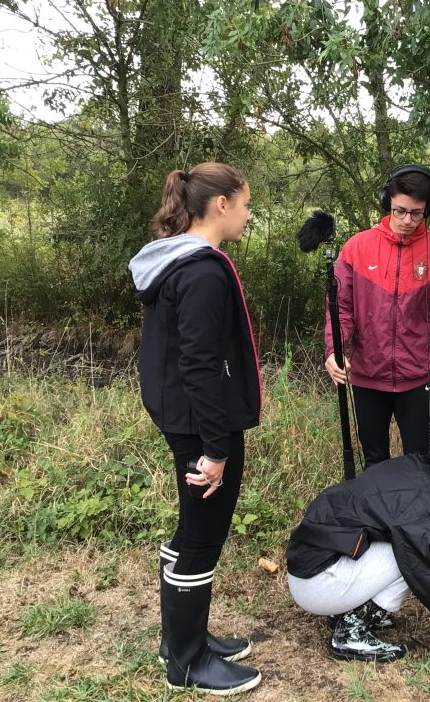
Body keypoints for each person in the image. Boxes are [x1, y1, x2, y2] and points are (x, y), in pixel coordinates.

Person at [129, 162, 262, 695]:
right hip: (202, 423)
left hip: (182, 416)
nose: (250, 215)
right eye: (247, 204)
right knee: (202, 540)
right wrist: (215, 449)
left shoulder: (176, 261)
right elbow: (199, 364)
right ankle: (186, 664)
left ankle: (181, 638)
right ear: (222, 204)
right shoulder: (203, 272)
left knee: (192, 530)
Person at [285, 433, 430, 662]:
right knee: (409, 559)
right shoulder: (423, 505)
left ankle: (351, 612)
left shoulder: (410, 467)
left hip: (308, 563)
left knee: (404, 549)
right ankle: (350, 634)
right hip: (315, 584)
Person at [324, 165, 430, 467]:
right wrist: (334, 350)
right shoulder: (356, 247)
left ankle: (418, 515)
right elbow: (340, 307)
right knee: (374, 460)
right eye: (400, 211)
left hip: (418, 379)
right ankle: (377, 514)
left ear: (427, 209)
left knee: (419, 462)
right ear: (386, 202)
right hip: (367, 376)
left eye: (416, 213)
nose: (407, 220)